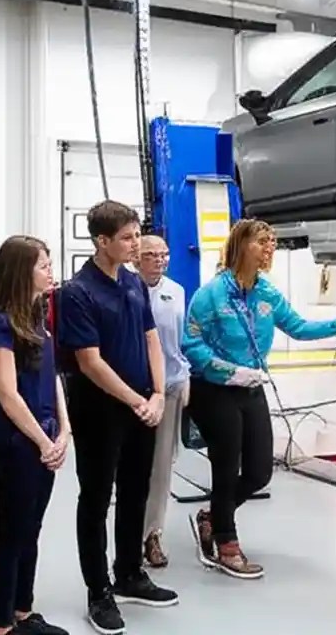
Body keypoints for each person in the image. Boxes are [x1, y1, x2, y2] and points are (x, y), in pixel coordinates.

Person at [181, 218, 336, 578]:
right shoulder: (210, 295)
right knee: (225, 468)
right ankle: (226, 543)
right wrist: (226, 370)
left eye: (272, 242)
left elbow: (299, 327)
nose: (270, 248)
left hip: (251, 388)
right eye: (262, 242)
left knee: (258, 472)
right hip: (215, 391)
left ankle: (212, 516)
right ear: (241, 246)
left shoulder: (267, 294)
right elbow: (191, 344)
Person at [57, 200, 178, 635]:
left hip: (143, 406)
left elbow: (152, 339)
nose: (135, 244)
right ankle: (98, 591)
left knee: (135, 492)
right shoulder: (77, 292)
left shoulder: (131, 283)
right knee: (95, 498)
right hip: (99, 410)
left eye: (136, 235)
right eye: (127, 238)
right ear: (101, 240)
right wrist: (135, 399)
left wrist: (159, 394)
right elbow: (89, 362)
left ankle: (129, 572)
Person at [0, 235, 71, 635]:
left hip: (46, 438)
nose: (51, 271)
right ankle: (2, 625)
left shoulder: (38, 318)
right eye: (43, 264)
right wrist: (43, 441)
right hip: (19, 443)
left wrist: (65, 430)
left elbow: (52, 378)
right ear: (21, 271)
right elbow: (7, 392)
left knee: (31, 528)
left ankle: (23, 611)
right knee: (13, 531)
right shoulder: (1, 322)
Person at [134, 234, 191, 568]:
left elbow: (179, 343)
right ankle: (128, 532)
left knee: (160, 467)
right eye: (151, 255)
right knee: (130, 468)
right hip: (131, 391)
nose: (159, 260)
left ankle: (152, 534)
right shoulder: (126, 289)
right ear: (136, 258)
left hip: (168, 387)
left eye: (164, 254)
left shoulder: (176, 292)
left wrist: (184, 378)